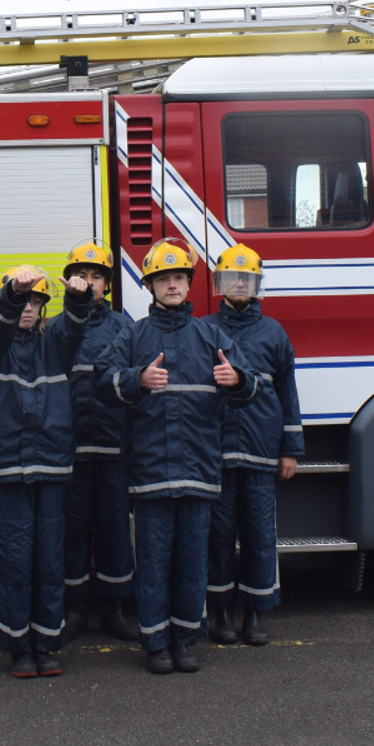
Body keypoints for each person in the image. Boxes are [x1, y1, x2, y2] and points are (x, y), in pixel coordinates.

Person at [94, 238, 262, 675]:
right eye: (163, 279)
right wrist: (136, 379)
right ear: (149, 285)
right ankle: (155, 645)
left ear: (189, 283)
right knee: (152, 563)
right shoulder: (134, 334)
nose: (171, 285)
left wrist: (237, 379)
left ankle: (184, 640)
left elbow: (253, 388)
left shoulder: (211, 334)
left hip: (199, 471)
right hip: (150, 473)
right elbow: (102, 383)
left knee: (192, 561)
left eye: (179, 278)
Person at [0, 265, 93, 678]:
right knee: (15, 562)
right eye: (21, 301)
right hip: (6, 468)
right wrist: (12, 291)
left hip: (51, 465)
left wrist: (79, 297)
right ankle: (17, 647)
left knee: (48, 561)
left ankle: (46, 643)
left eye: (35, 301)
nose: (27, 307)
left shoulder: (57, 345)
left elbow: (77, 325)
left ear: (45, 310)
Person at [202, 243, 302, 646]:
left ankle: (256, 615)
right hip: (219, 451)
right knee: (220, 534)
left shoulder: (274, 332)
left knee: (260, 534)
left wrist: (290, 449)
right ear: (220, 283)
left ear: (257, 284)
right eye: (232, 277)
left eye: (246, 278)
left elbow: (288, 392)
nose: (240, 283)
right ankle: (222, 615)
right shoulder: (206, 328)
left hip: (262, 450)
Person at [55, 241, 139, 642]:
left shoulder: (126, 327)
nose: (89, 282)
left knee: (113, 532)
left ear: (107, 283)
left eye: (97, 276)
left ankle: (114, 609)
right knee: (72, 533)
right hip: (69, 449)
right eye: (82, 275)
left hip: (112, 448)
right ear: (71, 280)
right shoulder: (57, 325)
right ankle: (74, 609)